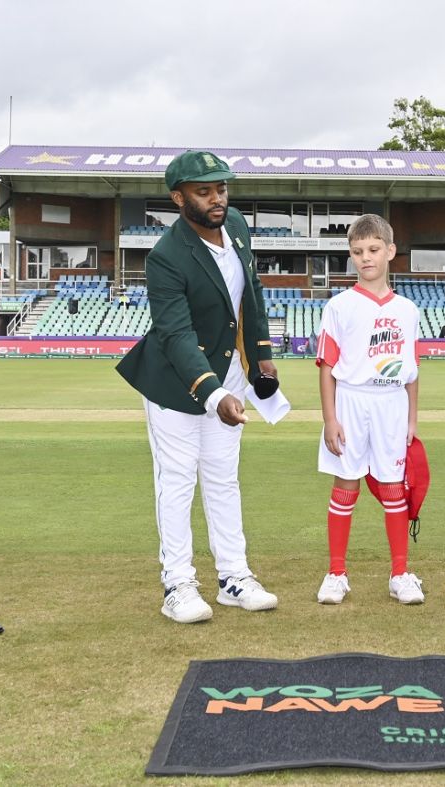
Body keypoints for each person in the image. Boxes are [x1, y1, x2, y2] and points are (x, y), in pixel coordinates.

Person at [116, 150, 279, 624]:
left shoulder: (240, 228)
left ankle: (234, 577)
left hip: (229, 375)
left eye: (222, 188)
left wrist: (262, 355)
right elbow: (176, 335)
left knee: (224, 480)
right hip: (175, 386)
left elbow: (253, 293)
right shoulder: (166, 257)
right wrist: (213, 395)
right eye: (204, 191)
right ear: (178, 197)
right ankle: (178, 584)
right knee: (178, 481)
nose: (217, 199)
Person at [314, 215, 423, 606]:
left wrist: (412, 417)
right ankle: (336, 573)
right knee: (347, 484)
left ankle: (400, 574)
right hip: (350, 400)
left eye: (374, 250)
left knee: (394, 486)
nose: (366, 258)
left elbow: (411, 370)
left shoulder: (408, 310)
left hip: (391, 404)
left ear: (390, 251)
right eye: (357, 252)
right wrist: (330, 418)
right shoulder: (339, 307)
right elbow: (327, 367)